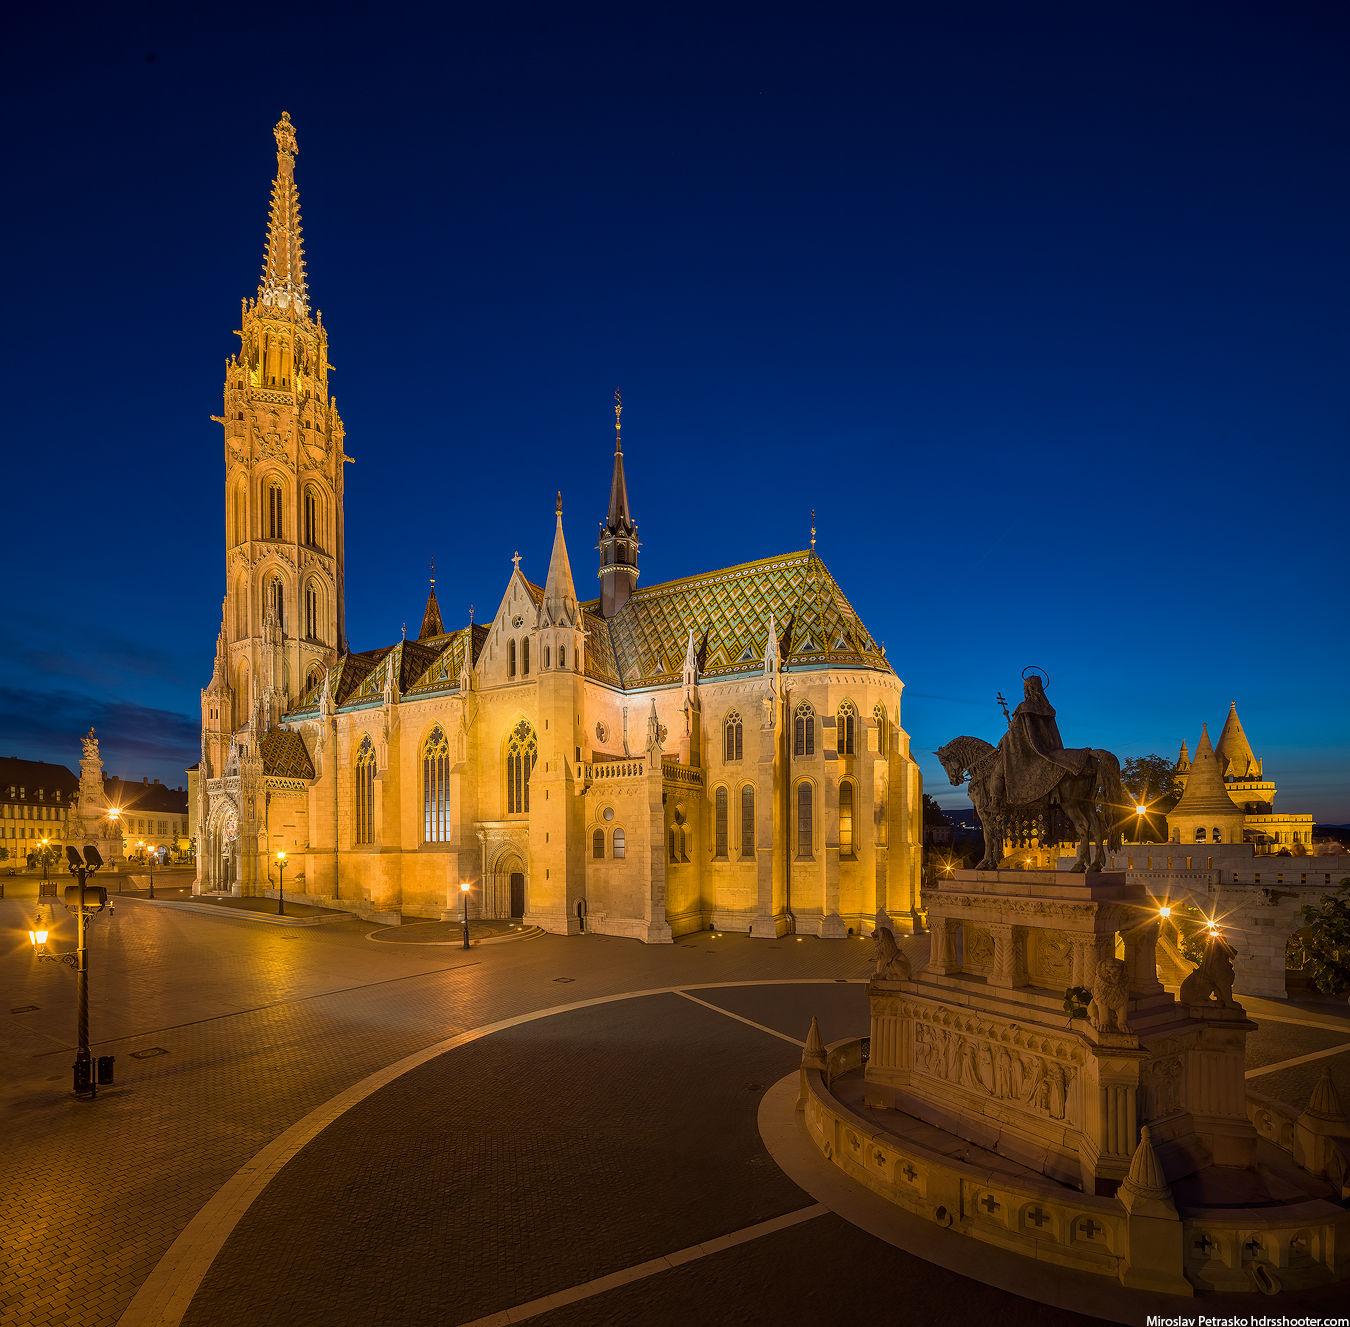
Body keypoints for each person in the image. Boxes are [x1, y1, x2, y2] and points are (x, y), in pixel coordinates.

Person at [990, 674, 1091, 808]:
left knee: (998, 769)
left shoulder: (1024, 707)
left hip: (1030, 748)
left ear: (1028, 689)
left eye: (1025, 689)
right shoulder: (1048, 708)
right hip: (1050, 746)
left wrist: (1005, 737)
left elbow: (1016, 733)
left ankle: (995, 802)